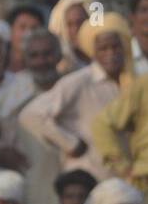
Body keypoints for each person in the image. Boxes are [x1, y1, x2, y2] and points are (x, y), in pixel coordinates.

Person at [21, 12, 134, 181]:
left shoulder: (132, 82)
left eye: (115, 47)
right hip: (87, 177)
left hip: (125, 178)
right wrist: (71, 143)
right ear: (93, 51)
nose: (110, 53)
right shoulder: (80, 81)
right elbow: (31, 115)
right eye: (103, 48)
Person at [0, 27, 64, 204]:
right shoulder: (13, 92)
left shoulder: (72, 87)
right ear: (25, 60)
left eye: (47, 54)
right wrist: (1, 152)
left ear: (58, 56)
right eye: (34, 55)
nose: (40, 61)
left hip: (67, 177)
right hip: (28, 178)